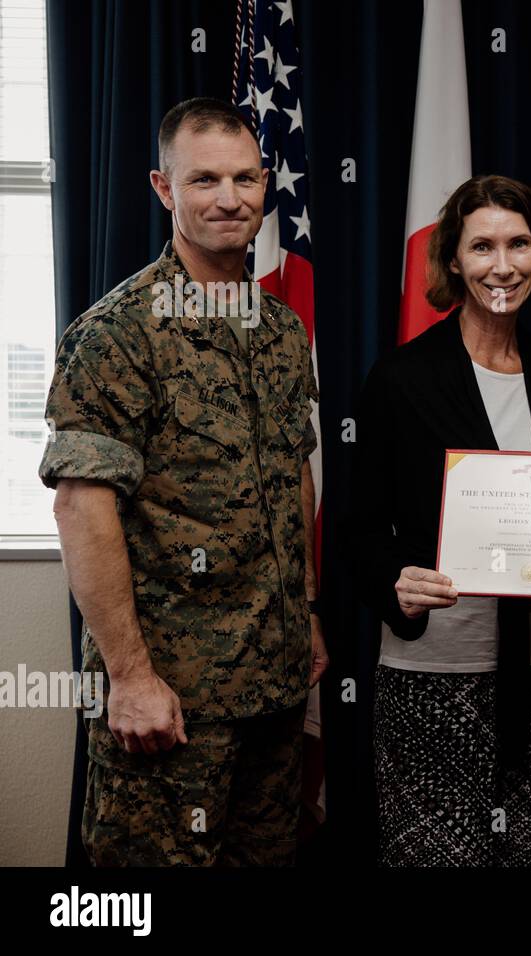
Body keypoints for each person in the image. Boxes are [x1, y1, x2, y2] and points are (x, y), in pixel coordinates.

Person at [40, 97, 326, 866]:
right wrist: (130, 676)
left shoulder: (281, 330)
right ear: (164, 188)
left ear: (265, 186)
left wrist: (305, 610)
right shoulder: (118, 333)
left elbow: (293, 471)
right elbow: (81, 506)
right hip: (171, 702)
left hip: (273, 687)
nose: (229, 198)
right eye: (204, 180)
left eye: (245, 179)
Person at [348, 174, 531, 866]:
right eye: (482, 247)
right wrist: (393, 580)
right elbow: (360, 530)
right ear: (453, 259)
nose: (502, 266)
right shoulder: (400, 378)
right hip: (437, 672)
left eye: (519, 244)